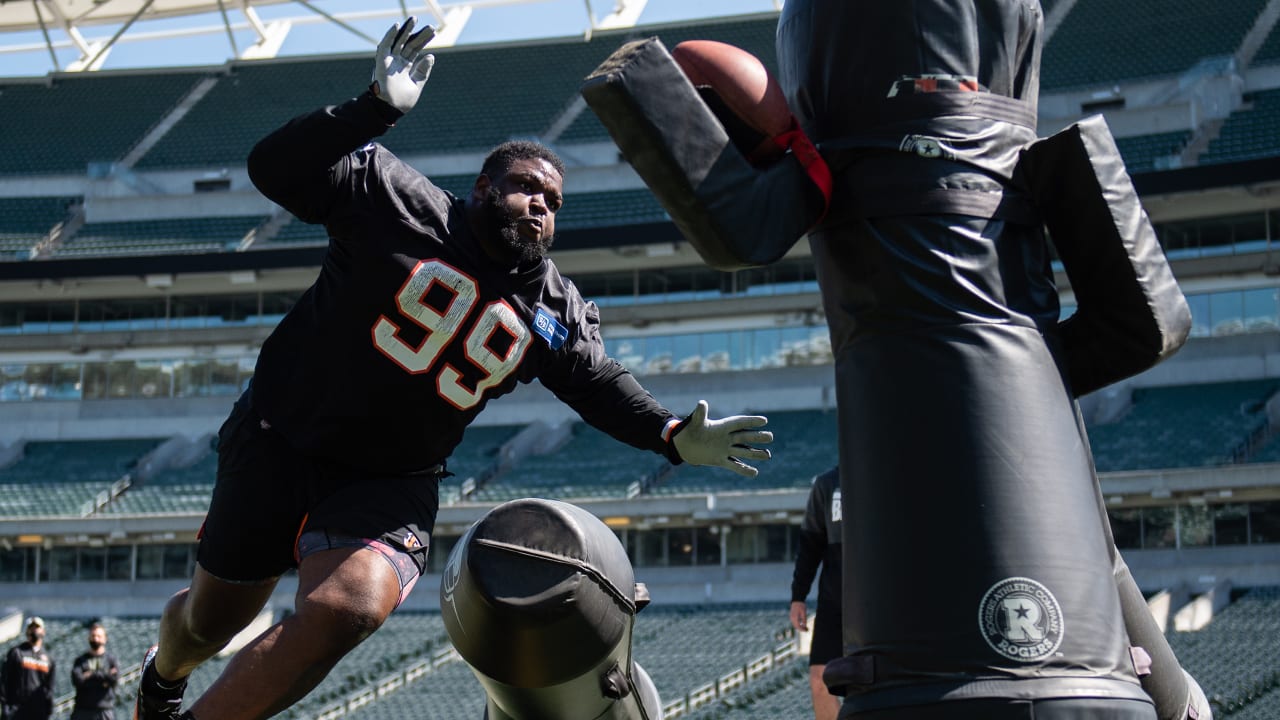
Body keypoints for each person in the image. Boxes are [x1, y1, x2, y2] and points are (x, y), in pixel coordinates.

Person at [133, 17, 772, 720]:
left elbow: (595, 383)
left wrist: (671, 433)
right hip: (278, 436)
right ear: (482, 189)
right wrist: (371, 109)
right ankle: (162, 681)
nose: (541, 207)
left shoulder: (553, 306)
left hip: (389, 479)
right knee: (207, 624)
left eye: (554, 202)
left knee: (350, 606)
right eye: (528, 187)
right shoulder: (395, 200)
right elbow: (273, 168)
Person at [789, 466, 842, 720]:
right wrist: (798, 596)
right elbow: (810, 543)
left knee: (875, 683)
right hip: (835, 600)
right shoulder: (827, 483)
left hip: (880, 604)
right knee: (819, 680)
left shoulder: (888, 476)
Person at [0, 617, 55, 720]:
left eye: (37, 627)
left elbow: (50, 687)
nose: (34, 630)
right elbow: (4, 681)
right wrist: (6, 707)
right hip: (17, 711)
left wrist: (48, 709)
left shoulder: (48, 658)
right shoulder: (17, 652)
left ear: (43, 631)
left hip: (38, 711)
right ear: (27, 631)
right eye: (31, 627)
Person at [70, 623, 119, 720]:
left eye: (99, 636)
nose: (96, 639)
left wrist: (89, 675)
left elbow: (114, 679)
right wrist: (104, 678)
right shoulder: (80, 660)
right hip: (82, 711)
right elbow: (77, 680)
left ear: (105, 639)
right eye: (93, 636)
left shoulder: (111, 660)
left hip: (104, 711)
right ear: (89, 638)